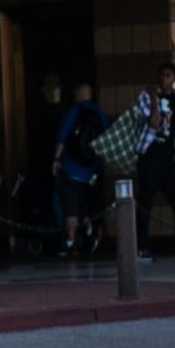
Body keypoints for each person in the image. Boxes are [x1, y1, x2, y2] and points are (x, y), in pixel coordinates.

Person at [138, 73, 175, 257]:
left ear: (174, 78)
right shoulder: (146, 97)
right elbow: (153, 121)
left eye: (168, 76)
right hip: (150, 157)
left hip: (169, 160)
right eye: (161, 76)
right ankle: (141, 246)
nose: (163, 79)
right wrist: (154, 97)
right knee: (145, 202)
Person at [50, 87, 103, 258]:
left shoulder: (75, 110)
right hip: (89, 170)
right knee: (80, 199)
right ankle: (89, 232)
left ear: (80, 94)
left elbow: (63, 136)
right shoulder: (99, 114)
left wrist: (56, 159)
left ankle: (70, 240)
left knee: (69, 202)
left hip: (71, 166)